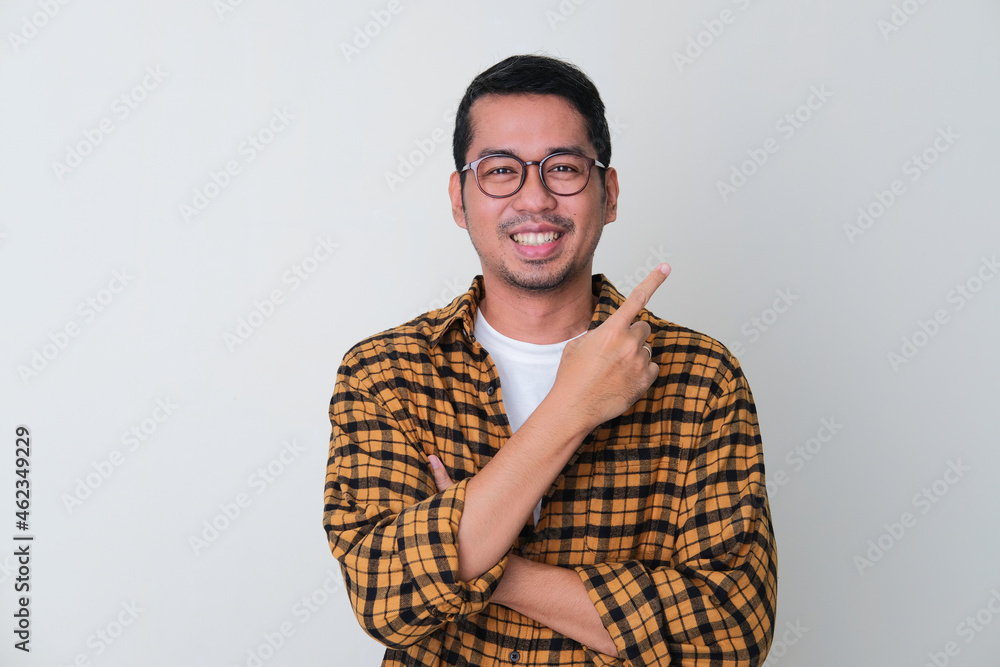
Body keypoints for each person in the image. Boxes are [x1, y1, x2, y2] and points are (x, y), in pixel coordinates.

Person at [323, 54, 777, 666]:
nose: (534, 198)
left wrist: (481, 555)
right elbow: (385, 597)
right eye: (500, 171)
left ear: (608, 193)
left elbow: (730, 637)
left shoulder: (701, 376)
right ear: (459, 199)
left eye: (562, 168)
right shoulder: (388, 374)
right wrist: (573, 407)